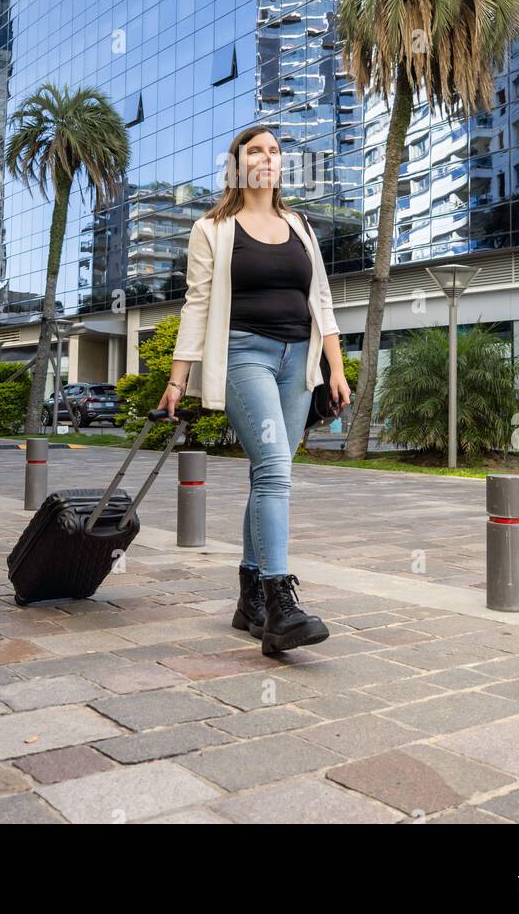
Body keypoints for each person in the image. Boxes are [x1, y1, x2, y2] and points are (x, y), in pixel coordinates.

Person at [158, 123, 351, 653]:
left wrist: (335, 369)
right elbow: (196, 306)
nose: (267, 158)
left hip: (298, 362)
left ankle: (250, 602)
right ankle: (280, 605)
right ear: (237, 163)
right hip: (244, 357)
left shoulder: (301, 225)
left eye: (275, 151)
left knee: (271, 473)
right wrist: (179, 379)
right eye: (256, 151)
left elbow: (324, 303)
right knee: (273, 470)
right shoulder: (213, 229)